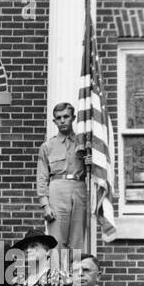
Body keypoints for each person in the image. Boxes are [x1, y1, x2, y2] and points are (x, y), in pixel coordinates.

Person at [36, 102, 88, 250]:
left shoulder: (84, 143)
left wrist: (91, 160)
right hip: (57, 190)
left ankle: (77, 272)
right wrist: (45, 205)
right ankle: (59, 273)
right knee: (57, 240)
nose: (63, 120)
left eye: (66, 116)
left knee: (78, 240)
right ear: (54, 121)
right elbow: (42, 177)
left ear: (73, 118)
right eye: (59, 118)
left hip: (79, 188)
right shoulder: (48, 146)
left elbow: (93, 171)